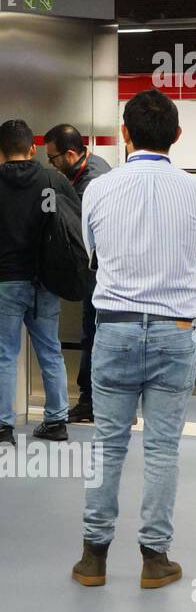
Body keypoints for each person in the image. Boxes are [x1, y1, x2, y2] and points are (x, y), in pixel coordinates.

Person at [72, 89, 196, 590]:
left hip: (113, 328)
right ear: (177, 136)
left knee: (107, 446)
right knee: (161, 449)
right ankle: (155, 561)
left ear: (126, 135)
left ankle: (93, 559)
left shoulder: (98, 189)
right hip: (177, 332)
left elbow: (93, 253)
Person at [0, 119, 80, 447]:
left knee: (5, 352)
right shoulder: (52, 178)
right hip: (45, 280)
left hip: (5, 280)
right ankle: (57, 419)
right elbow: (73, 222)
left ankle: (4, 427)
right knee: (50, 350)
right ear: (33, 148)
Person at [45, 124, 111, 425]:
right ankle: (98, 399)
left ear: (71, 154)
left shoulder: (92, 179)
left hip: (101, 268)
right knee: (95, 331)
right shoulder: (89, 169)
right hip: (102, 266)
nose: (51, 164)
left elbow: (75, 224)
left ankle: (92, 400)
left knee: (94, 331)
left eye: (53, 158)